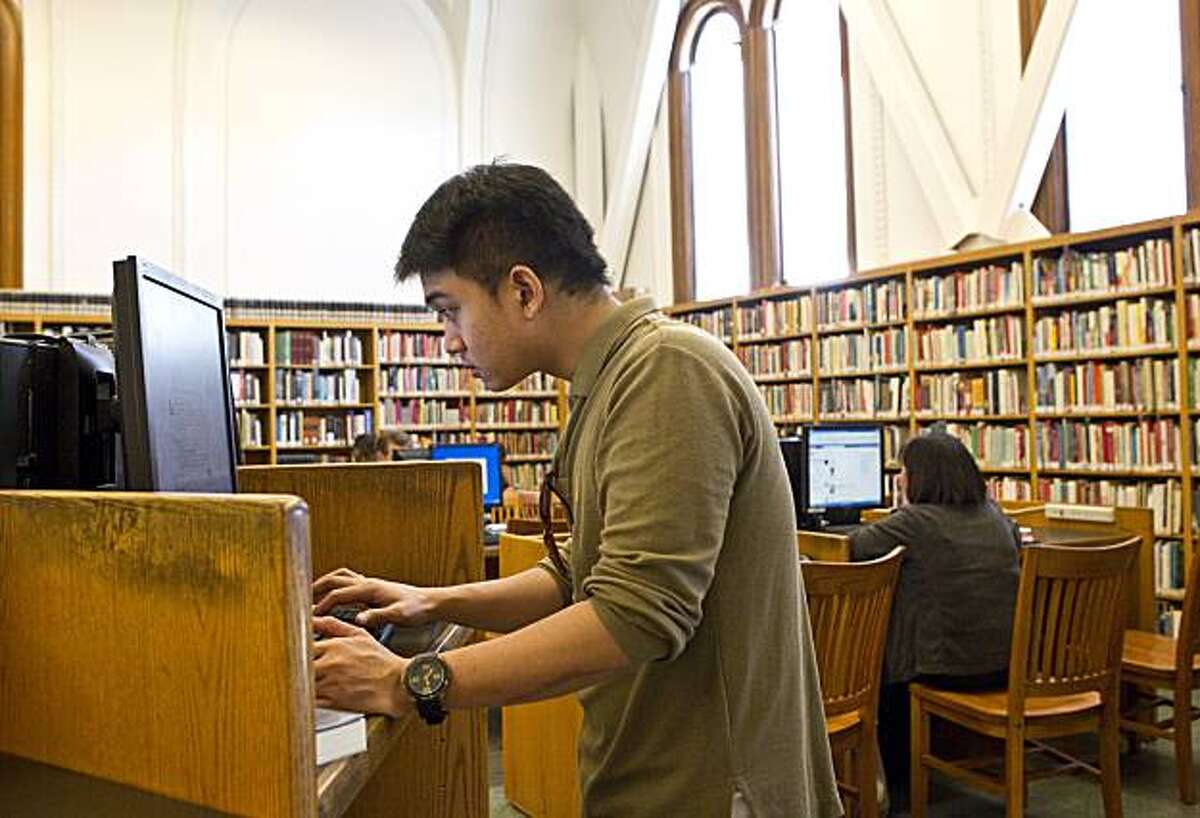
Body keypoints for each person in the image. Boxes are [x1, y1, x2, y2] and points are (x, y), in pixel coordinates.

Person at [310, 162, 840, 816]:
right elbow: (579, 578)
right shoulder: (609, 384)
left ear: (524, 291)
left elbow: (637, 614)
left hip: (714, 790)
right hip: (652, 779)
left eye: (451, 312)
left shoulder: (667, 374)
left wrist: (410, 681)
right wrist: (436, 601)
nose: (447, 342)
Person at [848, 432, 1021, 812]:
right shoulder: (997, 517)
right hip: (1006, 666)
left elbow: (855, 548)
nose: (898, 478)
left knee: (879, 659)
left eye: (904, 471)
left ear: (920, 477)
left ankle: (892, 783)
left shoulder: (916, 522)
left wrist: (899, 507)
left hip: (947, 669)